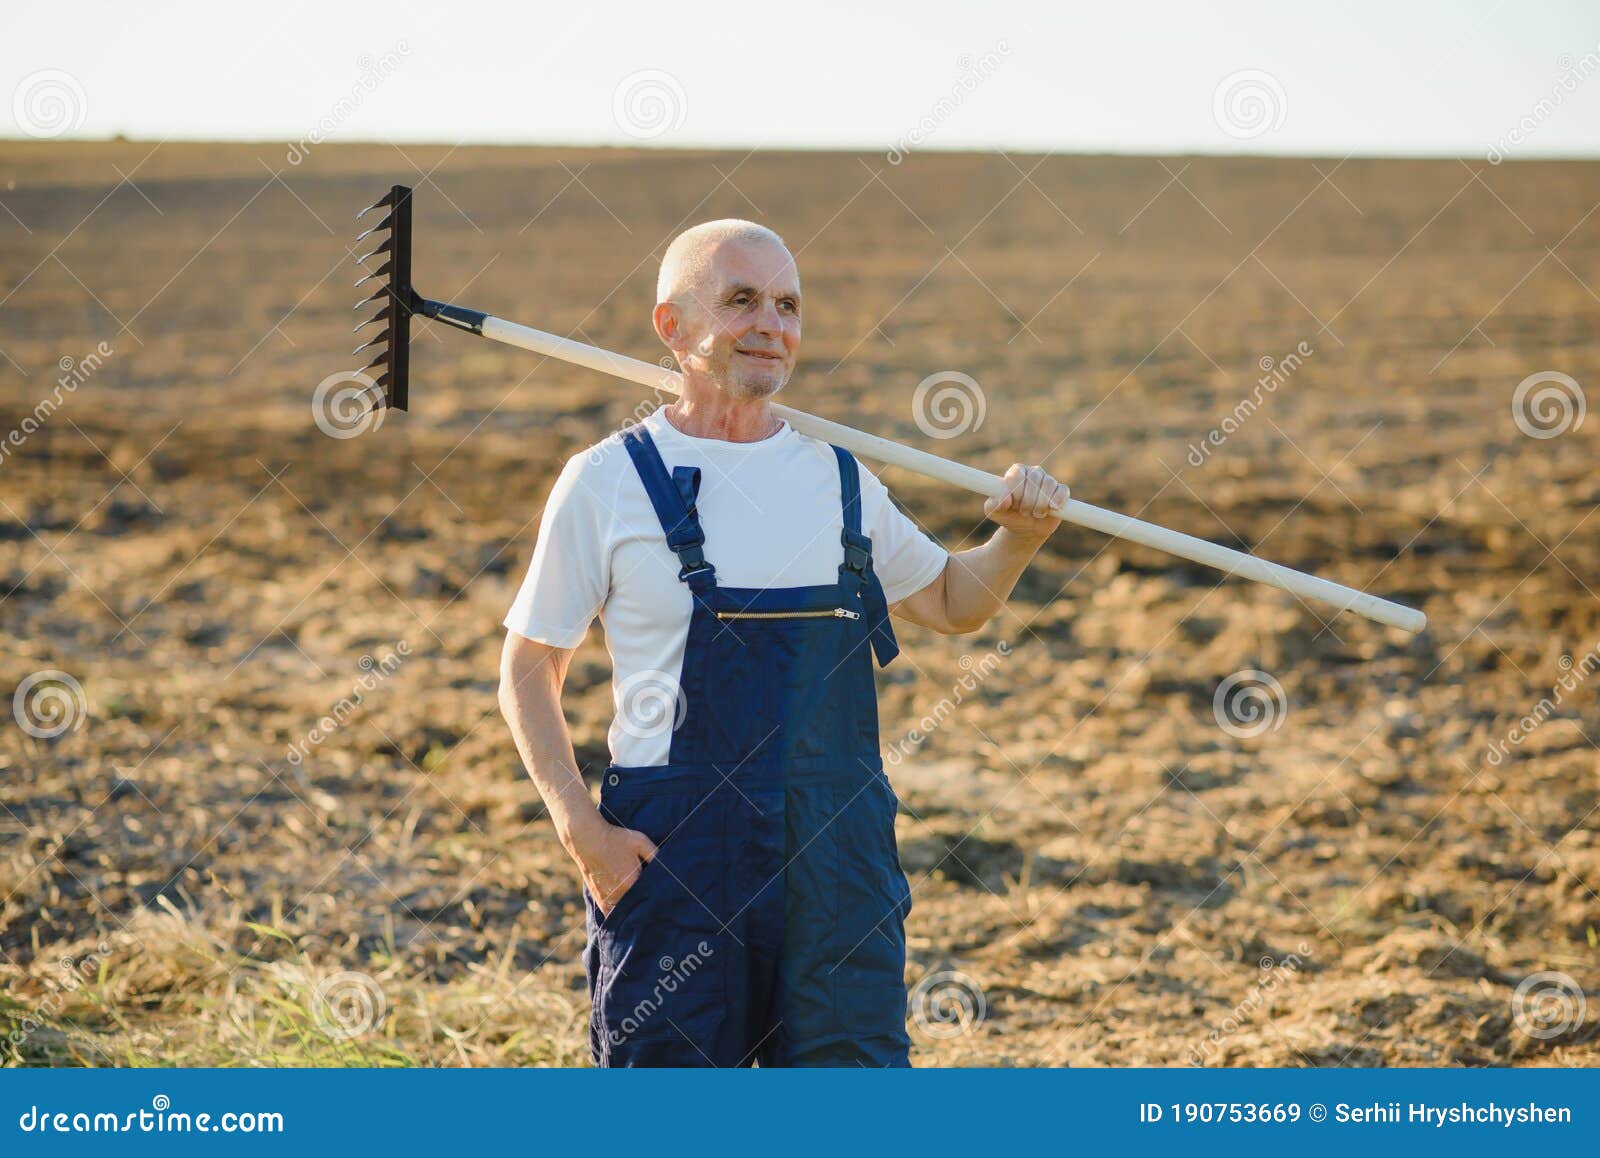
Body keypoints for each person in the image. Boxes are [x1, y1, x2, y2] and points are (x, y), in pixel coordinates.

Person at [498, 218, 1069, 1066]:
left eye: (787, 305)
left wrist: (1020, 537)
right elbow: (528, 668)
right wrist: (583, 831)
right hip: (676, 862)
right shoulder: (608, 481)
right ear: (672, 328)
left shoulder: (838, 480)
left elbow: (953, 602)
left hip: (837, 859)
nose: (771, 323)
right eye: (740, 301)